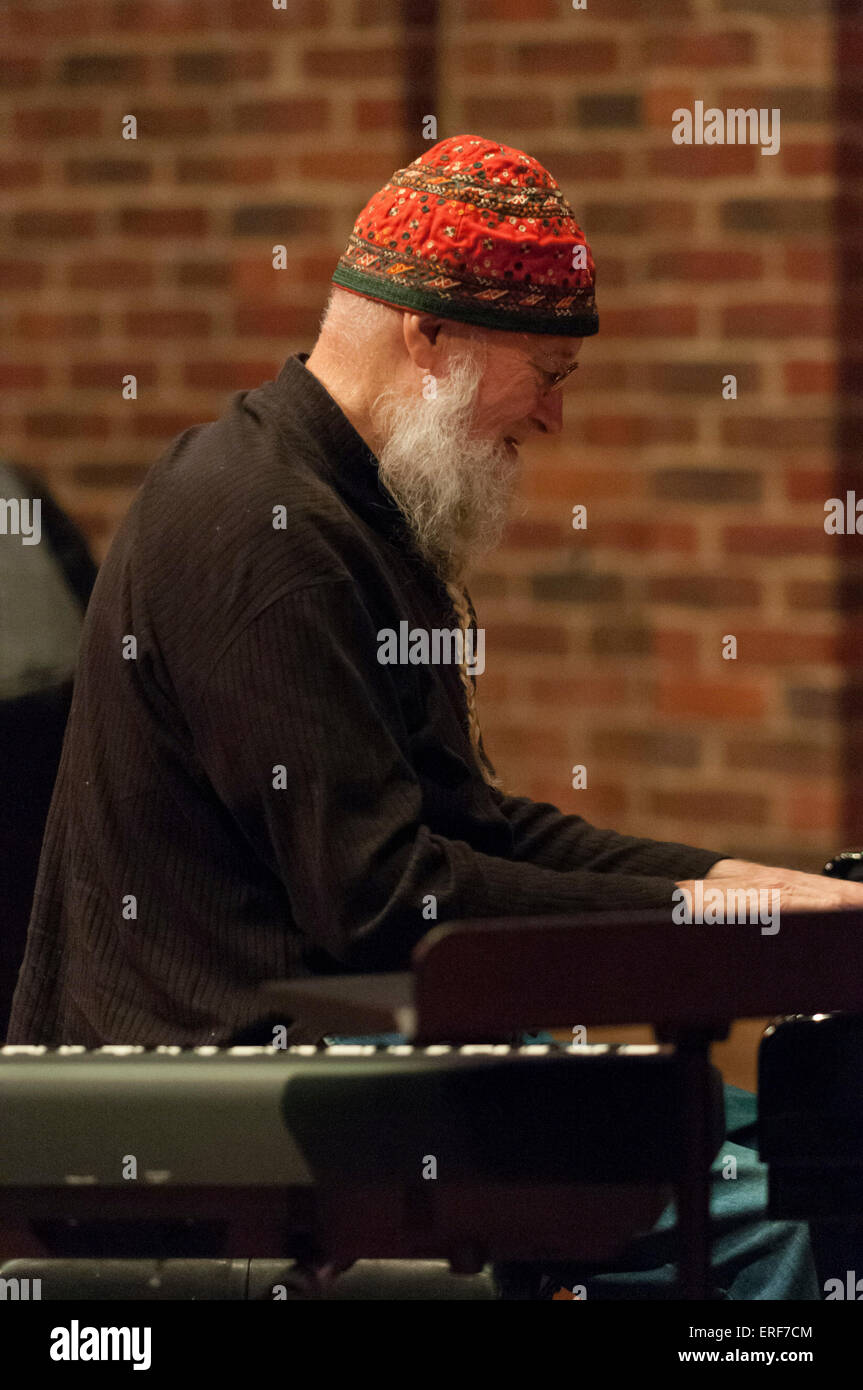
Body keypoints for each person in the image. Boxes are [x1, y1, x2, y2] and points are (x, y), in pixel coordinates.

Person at [8, 136, 862, 1298]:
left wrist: (744, 880)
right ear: (431, 335)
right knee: (763, 1210)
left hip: (334, 1060)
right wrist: (698, 913)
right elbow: (377, 898)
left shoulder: (347, 514)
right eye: (547, 372)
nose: (552, 418)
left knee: (809, 1148)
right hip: (222, 1098)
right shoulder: (262, 532)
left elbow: (476, 833)